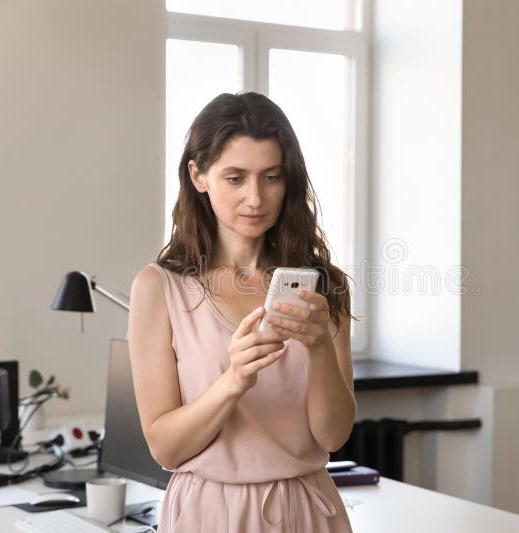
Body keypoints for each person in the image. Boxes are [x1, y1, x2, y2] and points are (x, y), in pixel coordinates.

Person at [127, 92, 356, 532]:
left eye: (271, 177)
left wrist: (319, 346)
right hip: (208, 513)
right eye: (235, 178)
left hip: (307, 510)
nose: (255, 198)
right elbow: (165, 449)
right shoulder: (159, 289)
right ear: (198, 176)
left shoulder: (324, 286)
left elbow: (334, 436)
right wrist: (234, 380)